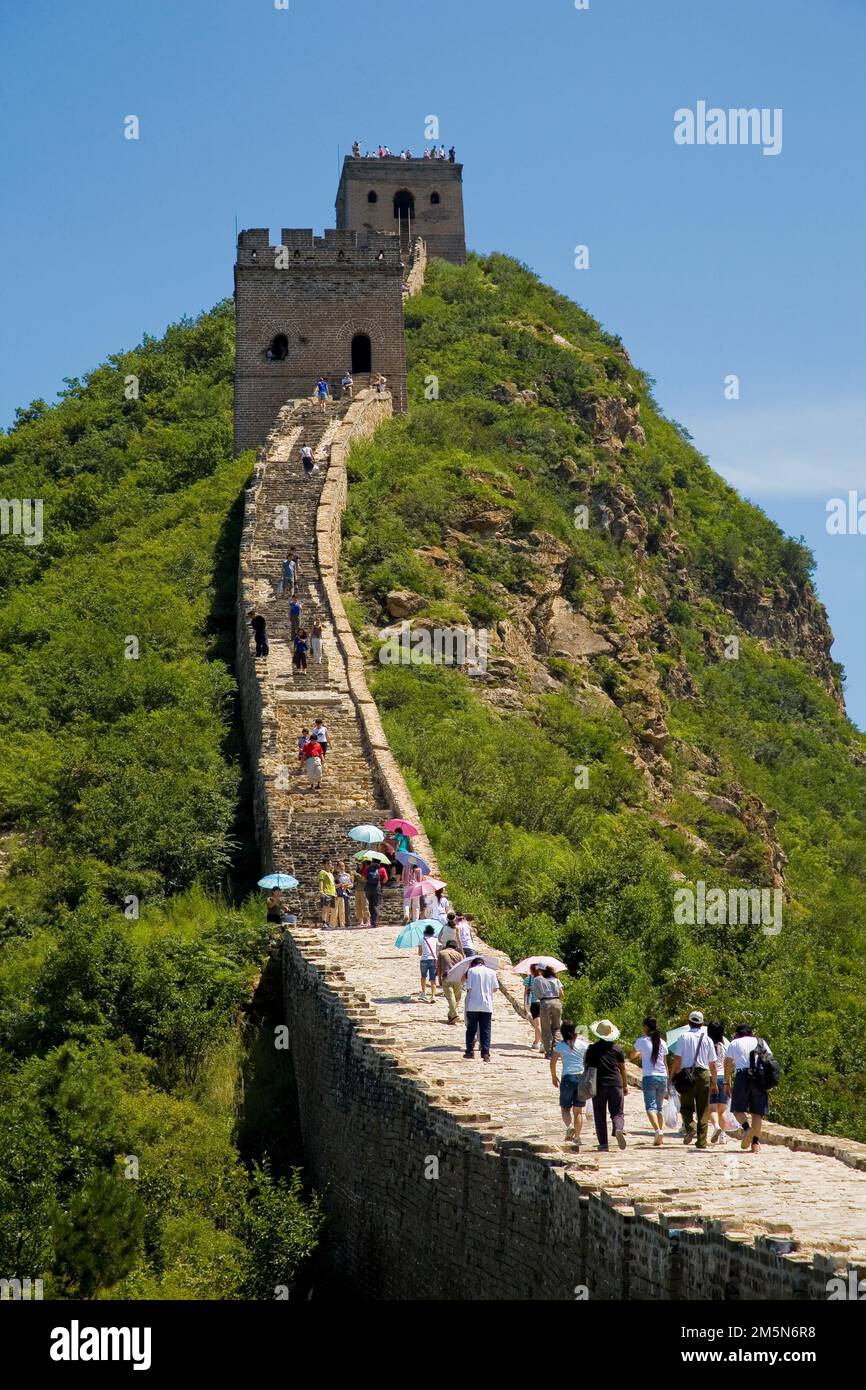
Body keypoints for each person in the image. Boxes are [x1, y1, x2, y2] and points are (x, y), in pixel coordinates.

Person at [669, 1010, 717, 1150]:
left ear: (689, 1023)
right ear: (702, 1024)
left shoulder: (683, 1037)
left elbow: (677, 1059)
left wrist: (671, 1076)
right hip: (704, 1075)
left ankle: (690, 1127)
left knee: (686, 1107)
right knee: (703, 1110)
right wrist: (714, 1082)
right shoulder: (708, 1039)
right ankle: (702, 1142)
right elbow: (712, 1064)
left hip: (687, 1075)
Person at [725, 1025, 774, 1153]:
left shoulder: (734, 1043)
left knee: (736, 1109)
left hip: (742, 1076)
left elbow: (728, 1063)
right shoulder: (761, 1042)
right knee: (757, 1112)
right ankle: (755, 1144)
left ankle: (747, 1129)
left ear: (737, 1034)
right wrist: (768, 1082)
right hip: (759, 1077)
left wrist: (726, 1082)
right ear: (751, 1033)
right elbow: (770, 1061)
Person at [584, 1019, 628, 1152]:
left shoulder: (592, 1049)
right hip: (615, 1083)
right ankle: (619, 1128)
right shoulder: (617, 1049)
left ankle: (603, 1143)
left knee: (599, 1114)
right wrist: (625, 1085)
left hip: (598, 1085)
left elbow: (587, 1067)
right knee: (617, 1112)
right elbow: (623, 1069)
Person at [630, 1016, 669, 1147]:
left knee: (650, 1107)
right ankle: (661, 1133)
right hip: (663, 1076)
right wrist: (667, 1078)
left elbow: (632, 1056)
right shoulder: (662, 1042)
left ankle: (657, 1131)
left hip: (649, 1076)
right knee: (659, 1107)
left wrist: (640, 1054)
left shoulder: (642, 1041)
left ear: (646, 1027)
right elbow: (665, 1062)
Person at [551, 1022, 590, 1148]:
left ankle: (569, 1126)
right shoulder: (583, 1045)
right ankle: (577, 1137)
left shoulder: (560, 1046)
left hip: (567, 1078)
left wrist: (554, 1076)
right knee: (578, 1111)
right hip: (581, 1078)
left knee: (565, 1108)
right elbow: (588, 1062)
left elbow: (553, 1062)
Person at [463, 957, 498, 1062]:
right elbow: (495, 988)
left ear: (474, 964)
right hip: (487, 1005)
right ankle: (485, 1053)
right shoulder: (491, 972)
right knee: (485, 1029)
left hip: (473, 1004)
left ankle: (470, 1051)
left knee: (471, 1029)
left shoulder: (471, 971)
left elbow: (468, 988)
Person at [531, 966, 563, 1059]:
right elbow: (561, 993)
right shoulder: (555, 978)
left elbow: (536, 994)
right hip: (557, 1002)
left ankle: (548, 1052)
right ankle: (557, 1049)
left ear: (540, 970)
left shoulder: (537, 979)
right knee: (557, 1027)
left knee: (546, 1028)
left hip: (545, 1003)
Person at [707, 1020, 729, 1145]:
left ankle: (716, 1127)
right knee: (722, 1111)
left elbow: (711, 1065)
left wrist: (713, 1082)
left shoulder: (708, 1045)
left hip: (712, 1077)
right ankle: (723, 1136)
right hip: (723, 1077)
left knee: (712, 1109)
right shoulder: (725, 1046)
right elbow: (728, 1065)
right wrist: (728, 1082)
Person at [438, 938, 464, 1023]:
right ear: (455, 947)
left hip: (447, 977)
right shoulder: (459, 955)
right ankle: (452, 1015)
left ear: (446, 946)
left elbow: (439, 967)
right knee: (457, 998)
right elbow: (463, 967)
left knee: (450, 997)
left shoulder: (441, 953)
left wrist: (439, 979)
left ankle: (454, 1014)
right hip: (458, 978)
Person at [523, 963, 543, 1050]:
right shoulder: (545, 979)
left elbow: (526, 993)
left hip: (534, 1003)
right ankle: (536, 1041)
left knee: (537, 1024)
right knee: (542, 1024)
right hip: (545, 1003)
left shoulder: (528, 979)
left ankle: (543, 1043)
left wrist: (525, 1005)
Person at [418, 924, 439, 1002]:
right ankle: (433, 995)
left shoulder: (421, 940)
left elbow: (420, 953)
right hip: (433, 960)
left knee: (423, 977)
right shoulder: (435, 939)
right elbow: (437, 951)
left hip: (424, 960)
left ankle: (423, 993)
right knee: (433, 979)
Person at [363, 860, 387, 928]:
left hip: (368, 888)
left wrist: (368, 882)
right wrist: (380, 882)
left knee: (370, 904)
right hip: (377, 888)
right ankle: (375, 922)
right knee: (376, 905)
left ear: (372, 861)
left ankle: (372, 921)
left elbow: (363, 878)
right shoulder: (382, 869)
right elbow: (385, 879)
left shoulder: (367, 868)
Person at [319, 858, 337, 927]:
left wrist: (335, 892)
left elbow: (333, 884)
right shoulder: (322, 872)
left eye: (330, 863)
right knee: (325, 908)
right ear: (324, 864)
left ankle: (328, 922)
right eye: (328, 863)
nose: (330, 865)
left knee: (330, 909)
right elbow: (321, 881)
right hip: (326, 892)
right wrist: (321, 890)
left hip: (332, 893)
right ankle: (324, 922)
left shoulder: (331, 874)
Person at [335, 861, 352, 928]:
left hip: (345, 893)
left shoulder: (347, 875)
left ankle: (348, 923)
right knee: (337, 910)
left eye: (343, 866)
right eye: (340, 866)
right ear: (337, 867)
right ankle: (339, 923)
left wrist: (346, 886)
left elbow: (351, 885)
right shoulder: (335, 876)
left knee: (347, 909)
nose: (342, 868)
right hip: (338, 894)